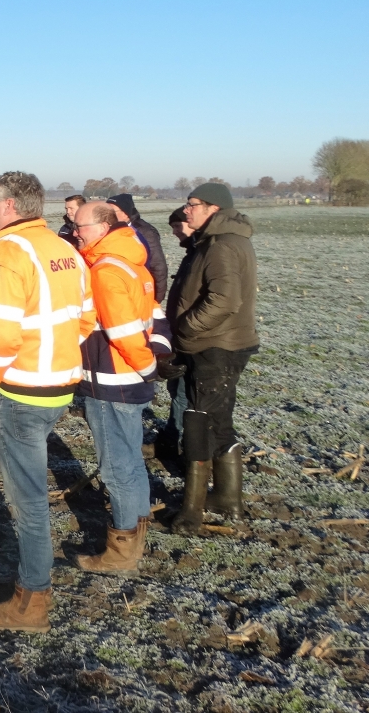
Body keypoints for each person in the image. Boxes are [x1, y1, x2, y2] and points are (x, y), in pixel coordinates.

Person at [0, 171, 93, 632]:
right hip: (59, 388)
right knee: (32, 493)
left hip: (18, 393)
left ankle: (31, 599)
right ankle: (31, 586)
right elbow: (86, 319)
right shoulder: (64, 249)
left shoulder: (5, 257)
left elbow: (3, 332)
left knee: (28, 500)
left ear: (10, 206)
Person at [72, 202, 172, 573]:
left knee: (116, 466)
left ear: (103, 226)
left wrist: (147, 367)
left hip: (112, 382)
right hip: (129, 381)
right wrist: (155, 359)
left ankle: (122, 550)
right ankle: (138, 528)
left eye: (80, 225)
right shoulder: (133, 261)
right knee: (129, 457)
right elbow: (155, 314)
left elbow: (123, 332)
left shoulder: (105, 271)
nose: (75, 230)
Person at [168, 182, 258, 534]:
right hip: (220, 344)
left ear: (214, 208)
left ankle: (192, 511)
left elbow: (224, 300)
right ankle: (227, 498)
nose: (186, 210)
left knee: (199, 423)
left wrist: (187, 330)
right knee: (218, 421)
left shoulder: (220, 245)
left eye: (192, 204)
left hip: (215, 347)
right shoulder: (218, 241)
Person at [154, 206, 196, 462]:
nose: (175, 233)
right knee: (177, 389)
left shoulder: (205, 252)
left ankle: (181, 444)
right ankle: (173, 436)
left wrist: (185, 329)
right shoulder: (193, 252)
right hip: (182, 332)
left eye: (178, 226)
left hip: (191, 335)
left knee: (183, 392)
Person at [104, 193, 169, 304]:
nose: (106, 216)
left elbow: (158, 266)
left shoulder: (145, 232)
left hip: (142, 291)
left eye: (112, 212)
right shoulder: (107, 230)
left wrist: (156, 299)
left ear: (125, 214)